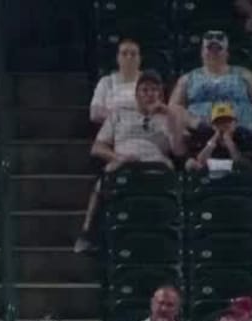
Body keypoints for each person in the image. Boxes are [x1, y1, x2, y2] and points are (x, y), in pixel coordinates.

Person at [77, 69, 185, 252]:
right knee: (102, 180)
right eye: (145, 90)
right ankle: (87, 234)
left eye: (154, 90)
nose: (150, 94)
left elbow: (179, 152)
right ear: (136, 94)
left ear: (161, 93)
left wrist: (171, 117)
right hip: (123, 163)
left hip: (156, 168)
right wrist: (118, 157)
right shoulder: (119, 114)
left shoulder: (169, 117)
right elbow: (97, 148)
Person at [168, 30, 252, 144]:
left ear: (227, 53)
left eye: (218, 49)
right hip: (201, 136)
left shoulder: (245, 75)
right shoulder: (187, 78)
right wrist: (193, 122)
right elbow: (173, 108)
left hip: (244, 135)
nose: (214, 53)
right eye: (209, 49)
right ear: (201, 53)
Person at [186, 103, 252, 172]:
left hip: (235, 172)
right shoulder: (205, 134)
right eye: (219, 122)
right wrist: (213, 140)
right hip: (210, 171)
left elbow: (243, 164)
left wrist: (229, 142)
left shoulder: (243, 135)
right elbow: (200, 160)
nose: (223, 125)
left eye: (227, 121)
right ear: (212, 126)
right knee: (190, 164)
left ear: (235, 123)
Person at [90, 38, 143, 125]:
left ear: (139, 58)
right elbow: (94, 114)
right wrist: (121, 118)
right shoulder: (106, 82)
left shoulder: (149, 81)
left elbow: (155, 111)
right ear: (118, 57)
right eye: (124, 53)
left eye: (133, 54)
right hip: (113, 130)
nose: (129, 57)